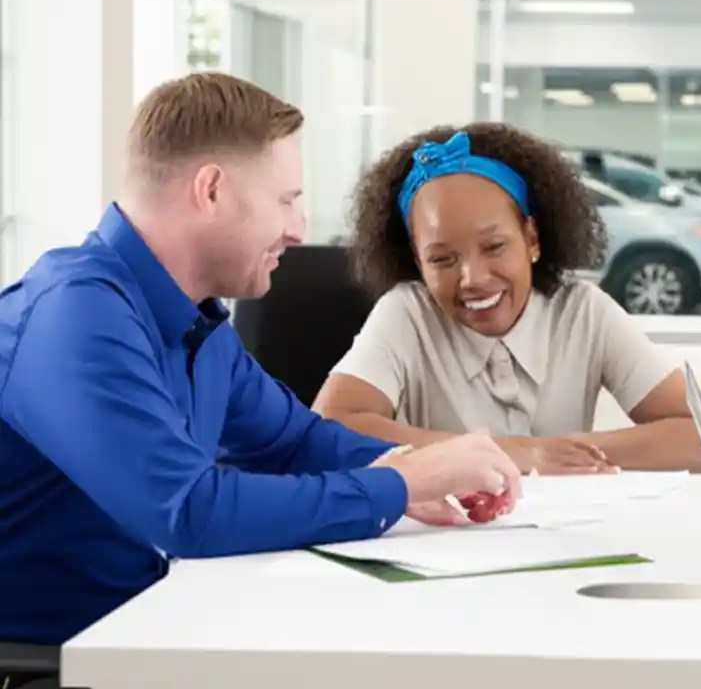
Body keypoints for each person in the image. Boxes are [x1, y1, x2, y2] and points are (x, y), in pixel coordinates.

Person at [0, 74, 521, 648]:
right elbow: (188, 511)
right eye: (286, 201)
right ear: (212, 189)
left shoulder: (195, 321)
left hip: (148, 633)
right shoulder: (75, 313)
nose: (297, 230)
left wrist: (430, 466)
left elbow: (293, 442)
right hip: (51, 664)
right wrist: (398, 484)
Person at [312, 123, 701, 475]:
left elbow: (699, 439)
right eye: (442, 259)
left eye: (495, 246)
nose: (473, 279)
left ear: (531, 238)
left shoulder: (584, 310)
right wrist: (514, 454)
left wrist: (562, 456)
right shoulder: (406, 313)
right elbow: (330, 431)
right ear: (417, 261)